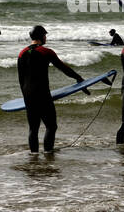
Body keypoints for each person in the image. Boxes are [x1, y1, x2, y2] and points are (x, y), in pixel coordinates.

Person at [16, 25, 84, 153]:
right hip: (42, 93)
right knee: (51, 126)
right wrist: (79, 78)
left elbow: (21, 78)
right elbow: (64, 68)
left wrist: (25, 96)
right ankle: (48, 154)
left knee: (33, 128)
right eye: (45, 35)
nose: (46, 37)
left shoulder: (22, 53)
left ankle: (34, 157)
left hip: (28, 94)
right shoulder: (46, 52)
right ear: (42, 36)